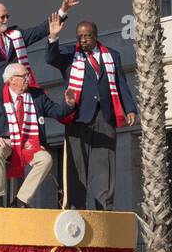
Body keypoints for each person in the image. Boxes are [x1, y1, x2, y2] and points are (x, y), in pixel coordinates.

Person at [45, 18, 137, 210]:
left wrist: (130, 109)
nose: (84, 40)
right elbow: (51, 59)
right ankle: (76, 207)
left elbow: (121, 84)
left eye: (87, 36)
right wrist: (53, 37)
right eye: (80, 37)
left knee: (105, 165)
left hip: (105, 115)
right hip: (77, 117)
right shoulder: (70, 55)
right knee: (77, 165)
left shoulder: (112, 55)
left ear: (95, 36)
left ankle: (103, 208)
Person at [0, 62, 77, 208]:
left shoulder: (37, 95)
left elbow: (58, 112)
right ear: (11, 80)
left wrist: (69, 104)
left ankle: (20, 201)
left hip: (30, 142)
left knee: (45, 159)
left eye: (28, 76)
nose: (28, 79)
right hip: (6, 141)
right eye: (23, 76)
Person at [0, 0, 78, 118]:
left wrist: (63, 11)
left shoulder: (16, 35)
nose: (6, 20)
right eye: (2, 17)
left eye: (7, 16)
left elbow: (40, 30)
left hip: (20, 96)